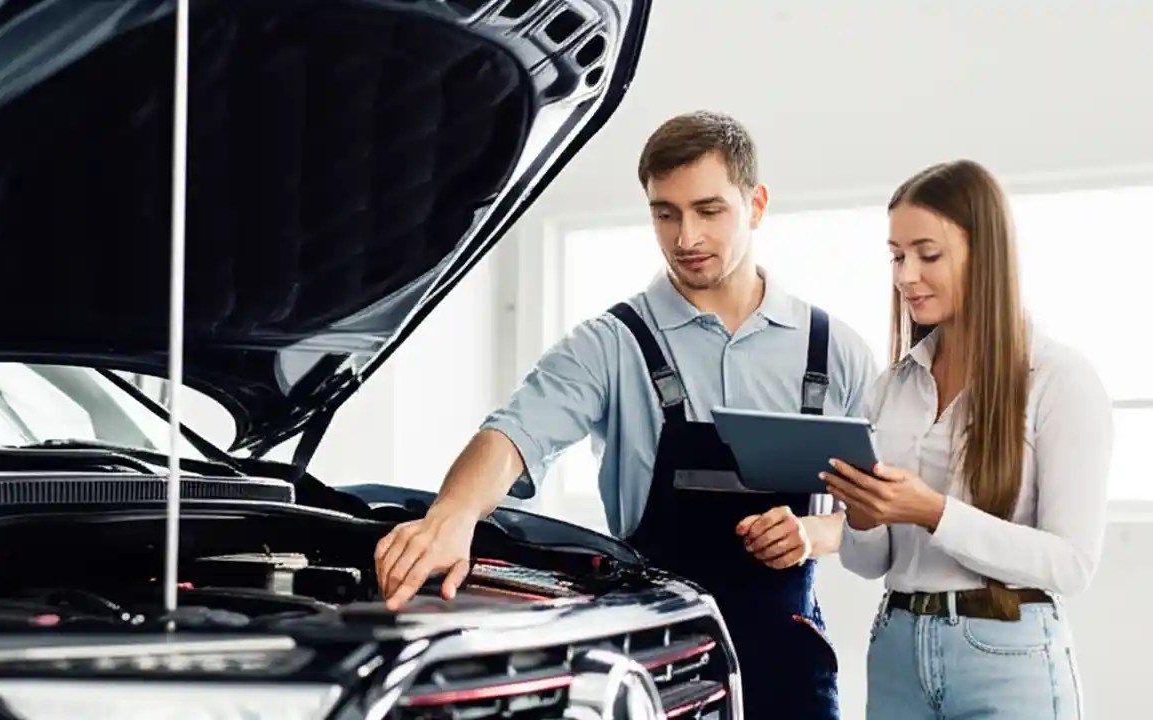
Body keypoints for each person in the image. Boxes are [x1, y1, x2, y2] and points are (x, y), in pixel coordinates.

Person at [373, 110, 879, 718]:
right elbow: (514, 434)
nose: (684, 236)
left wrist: (814, 533)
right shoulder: (611, 343)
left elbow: (878, 516)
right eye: (665, 212)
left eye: (708, 210)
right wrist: (451, 516)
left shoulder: (835, 350)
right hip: (658, 664)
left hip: (788, 662)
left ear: (757, 204)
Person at [822, 159, 1114, 719]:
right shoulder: (891, 388)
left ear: (986, 254)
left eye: (927, 255)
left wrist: (933, 512)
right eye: (897, 255)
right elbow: (869, 562)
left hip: (1005, 653)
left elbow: (1072, 563)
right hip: (897, 649)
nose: (905, 275)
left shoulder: (1058, 379)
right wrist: (863, 513)